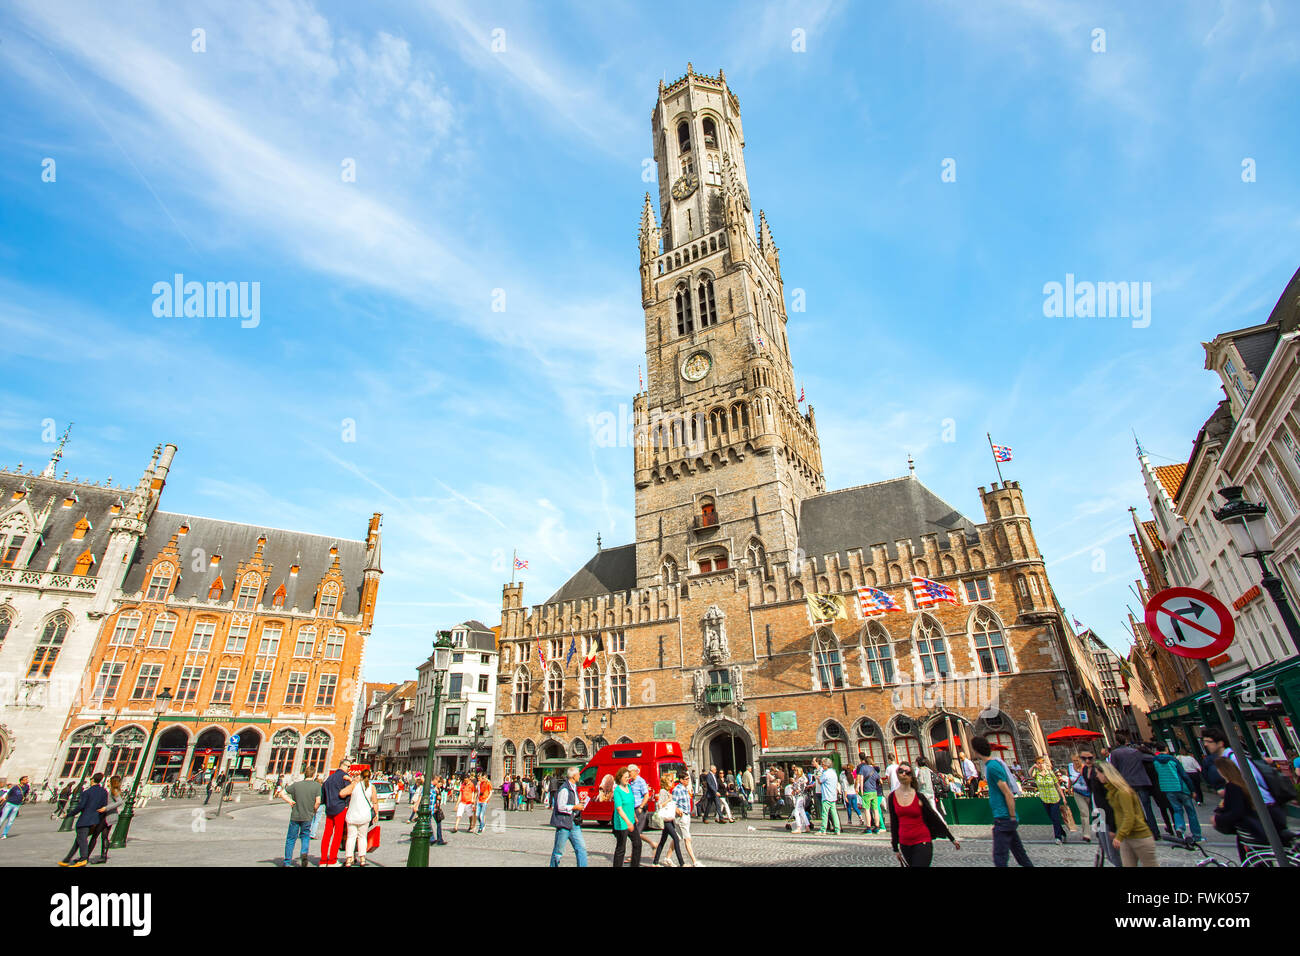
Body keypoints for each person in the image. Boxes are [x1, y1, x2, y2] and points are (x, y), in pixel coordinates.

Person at [972, 735, 1032, 867]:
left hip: (1004, 818)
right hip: (1004, 818)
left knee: (999, 857)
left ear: (975, 751)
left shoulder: (992, 767)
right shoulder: (992, 765)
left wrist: (1011, 817)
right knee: (1021, 855)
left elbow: (1007, 793)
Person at [888, 763, 959, 867]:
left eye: (907, 772)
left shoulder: (919, 797)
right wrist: (895, 848)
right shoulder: (892, 797)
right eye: (901, 771)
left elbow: (934, 817)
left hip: (922, 841)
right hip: (905, 844)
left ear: (911, 776)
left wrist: (951, 838)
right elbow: (894, 823)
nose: (903, 774)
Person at [1094, 759, 1158, 867]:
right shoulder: (1111, 792)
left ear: (1105, 773)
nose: (1096, 776)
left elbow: (1129, 816)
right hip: (1126, 838)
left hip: (1139, 836)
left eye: (1098, 773)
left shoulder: (1122, 792)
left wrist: (1119, 835)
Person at [1109, 732, 1161, 840]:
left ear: (1117, 742)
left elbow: (1113, 769)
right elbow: (1150, 758)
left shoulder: (1115, 753)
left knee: (1132, 808)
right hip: (1141, 781)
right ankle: (1155, 832)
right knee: (1147, 808)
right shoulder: (1136, 752)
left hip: (1127, 783)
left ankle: (1140, 831)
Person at [58, 773, 108, 868]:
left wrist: (69, 814)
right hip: (95, 819)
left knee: (82, 839)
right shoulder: (104, 791)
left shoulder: (87, 792)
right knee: (79, 839)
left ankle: (83, 858)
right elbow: (104, 804)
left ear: (92, 780)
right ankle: (67, 859)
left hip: (85, 819)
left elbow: (81, 806)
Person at [1153, 747, 1201, 844]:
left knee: (1177, 810)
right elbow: (1184, 775)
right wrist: (1192, 789)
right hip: (1180, 787)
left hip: (1167, 788)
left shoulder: (1155, 762)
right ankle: (1197, 835)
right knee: (1191, 812)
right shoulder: (1173, 760)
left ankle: (1179, 827)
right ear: (1166, 749)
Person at [281, 771, 322, 867]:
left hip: (295, 815)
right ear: (313, 775)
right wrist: (314, 811)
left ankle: (287, 862)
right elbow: (318, 802)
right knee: (305, 836)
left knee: (291, 838)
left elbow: (282, 793)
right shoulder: (316, 786)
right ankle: (304, 853)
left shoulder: (296, 785)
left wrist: (290, 801)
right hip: (308, 815)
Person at [548, 765, 587, 867]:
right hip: (564, 824)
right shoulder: (564, 789)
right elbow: (560, 807)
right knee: (558, 852)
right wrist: (575, 807)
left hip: (574, 823)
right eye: (578, 774)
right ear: (573, 776)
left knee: (581, 848)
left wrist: (580, 803)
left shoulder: (574, 787)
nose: (579, 776)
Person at [340, 767, 377, 867]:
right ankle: (363, 859)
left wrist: (352, 782)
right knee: (362, 837)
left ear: (360, 776)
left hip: (352, 815)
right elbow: (375, 802)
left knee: (351, 838)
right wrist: (376, 814)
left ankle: (348, 859)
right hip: (364, 816)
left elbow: (342, 793)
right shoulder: (372, 787)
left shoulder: (355, 785)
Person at [318, 757, 352, 867]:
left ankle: (323, 860)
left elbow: (323, 796)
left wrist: (327, 803)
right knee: (337, 834)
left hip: (329, 809)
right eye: (348, 766)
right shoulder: (345, 778)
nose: (349, 769)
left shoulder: (329, 778)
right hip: (340, 808)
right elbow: (347, 793)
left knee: (327, 834)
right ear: (343, 766)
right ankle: (332, 859)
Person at [84, 775, 122, 865]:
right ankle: (103, 857)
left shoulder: (114, 791)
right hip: (110, 816)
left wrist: (106, 808)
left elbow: (120, 802)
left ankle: (85, 857)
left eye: (109, 781)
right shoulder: (112, 790)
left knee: (95, 835)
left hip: (108, 816)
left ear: (113, 782)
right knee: (104, 836)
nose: (107, 782)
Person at [652, 772, 686, 866]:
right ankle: (682, 863)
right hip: (666, 820)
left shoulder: (667, 792)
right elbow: (660, 805)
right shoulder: (663, 791)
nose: (672, 782)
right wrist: (669, 799)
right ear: (666, 782)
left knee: (663, 840)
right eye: (670, 781)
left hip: (669, 819)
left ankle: (655, 862)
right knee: (676, 838)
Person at [1032, 755, 1067, 844]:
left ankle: (1058, 837)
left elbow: (1057, 786)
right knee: (1052, 818)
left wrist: (1063, 797)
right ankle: (1062, 832)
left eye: (1042, 763)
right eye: (1038, 763)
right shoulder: (1036, 774)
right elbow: (1029, 773)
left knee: (1055, 817)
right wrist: (1033, 767)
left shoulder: (1050, 773)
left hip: (1054, 798)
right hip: (1044, 799)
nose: (1040, 765)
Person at [626, 764, 655, 862]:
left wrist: (641, 807)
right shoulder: (631, 782)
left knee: (636, 833)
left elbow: (646, 795)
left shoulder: (640, 781)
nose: (629, 773)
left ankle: (651, 845)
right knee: (633, 833)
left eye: (630, 771)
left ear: (635, 771)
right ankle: (650, 844)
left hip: (639, 809)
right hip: (633, 810)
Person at [672, 773, 702, 866]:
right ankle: (694, 861)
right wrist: (677, 810)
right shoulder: (677, 789)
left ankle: (667, 858)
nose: (688, 781)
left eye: (688, 779)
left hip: (686, 815)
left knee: (677, 838)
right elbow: (673, 803)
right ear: (681, 780)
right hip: (681, 816)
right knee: (688, 839)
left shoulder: (685, 788)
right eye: (686, 779)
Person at [611, 767, 637, 867]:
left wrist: (634, 816)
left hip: (631, 820)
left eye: (628, 777)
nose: (628, 779)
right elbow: (619, 809)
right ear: (620, 778)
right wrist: (628, 822)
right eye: (625, 777)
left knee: (637, 843)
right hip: (622, 823)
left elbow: (631, 803)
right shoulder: (617, 790)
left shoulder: (629, 787)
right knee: (621, 848)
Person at [1068, 754, 1093, 843]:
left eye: (1077, 760)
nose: (1075, 762)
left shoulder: (1087, 767)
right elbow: (1069, 778)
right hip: (1078, 792)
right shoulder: (1070, 767)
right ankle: (1086, 834)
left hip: (1090, 792)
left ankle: (1101, 831)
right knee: (1084, 813)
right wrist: (1069, 788)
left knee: (1096, 812)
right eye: (1074, 760)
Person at [855, 755, 882, 833]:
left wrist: (861, 790)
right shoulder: (874, 769)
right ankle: (877, 827)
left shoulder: (863, 768)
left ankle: (868, 827)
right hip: (874, 791)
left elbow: (861, 780)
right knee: (875, 809)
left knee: (867, 810)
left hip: (867, 791)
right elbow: (880, 781)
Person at [817, 757, 842, 835]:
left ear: (826, 765)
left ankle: (823, 829)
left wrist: (818, 777)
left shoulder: (826, 773)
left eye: (823, 765)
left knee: (825, 814)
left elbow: (820, 781)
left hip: (826, 796)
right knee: (834, 813)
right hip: (833, 795)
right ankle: (837, 829)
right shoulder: (833, 772)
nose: (822, 766)